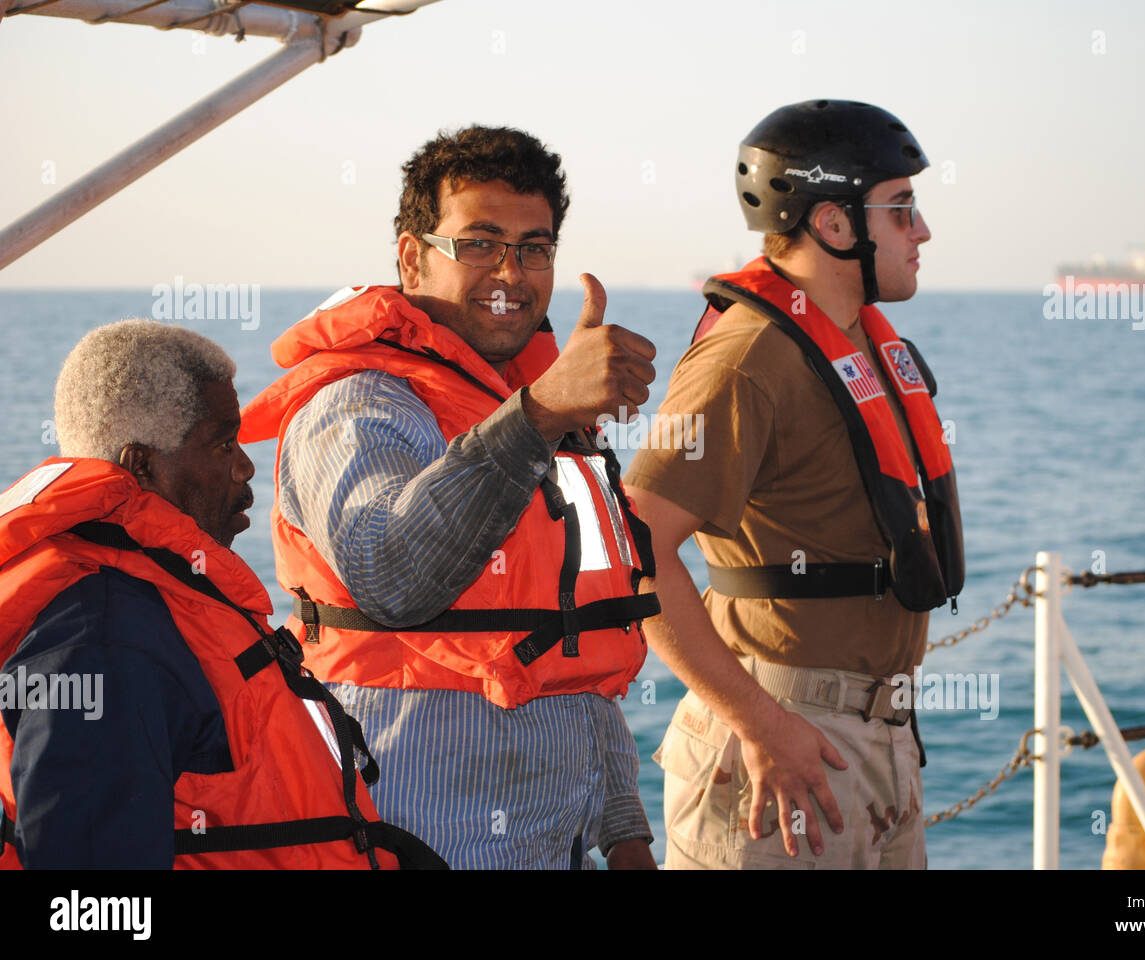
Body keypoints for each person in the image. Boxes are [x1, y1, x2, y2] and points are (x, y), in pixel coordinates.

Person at [238, 125, 661, 869]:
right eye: (480, 244)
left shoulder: (545, 410)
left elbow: (571, 645)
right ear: (412, 257)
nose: (512, 271)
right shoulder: (358, 405)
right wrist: (536, 417)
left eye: (535, 247)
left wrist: (625, 829)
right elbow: (391, 574)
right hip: (413, 842)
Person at [624, 99, 965, 869]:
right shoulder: (748, 359)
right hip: (783, 742)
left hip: (879, 745)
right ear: (835, 224)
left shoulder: (860, 348)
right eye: (902, 208)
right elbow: (637, 549)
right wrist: (760, 725)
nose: (924, 231)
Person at [0, 319, 440, 869]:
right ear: (143, 467)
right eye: (222, 443)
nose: (245, 465)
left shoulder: (163, 597)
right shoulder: (107, 641)